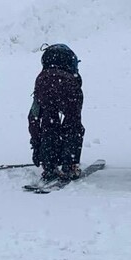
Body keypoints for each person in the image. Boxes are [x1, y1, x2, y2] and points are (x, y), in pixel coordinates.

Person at [28, 44, 84, 183]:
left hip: (44, 87)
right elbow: (74, 117)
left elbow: (33, 117)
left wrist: (36, 145)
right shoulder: (71, 76)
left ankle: (49, 165)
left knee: (49, 123)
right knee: (73, 125)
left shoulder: (43, 78)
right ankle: (69, 165)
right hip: (70, 89)